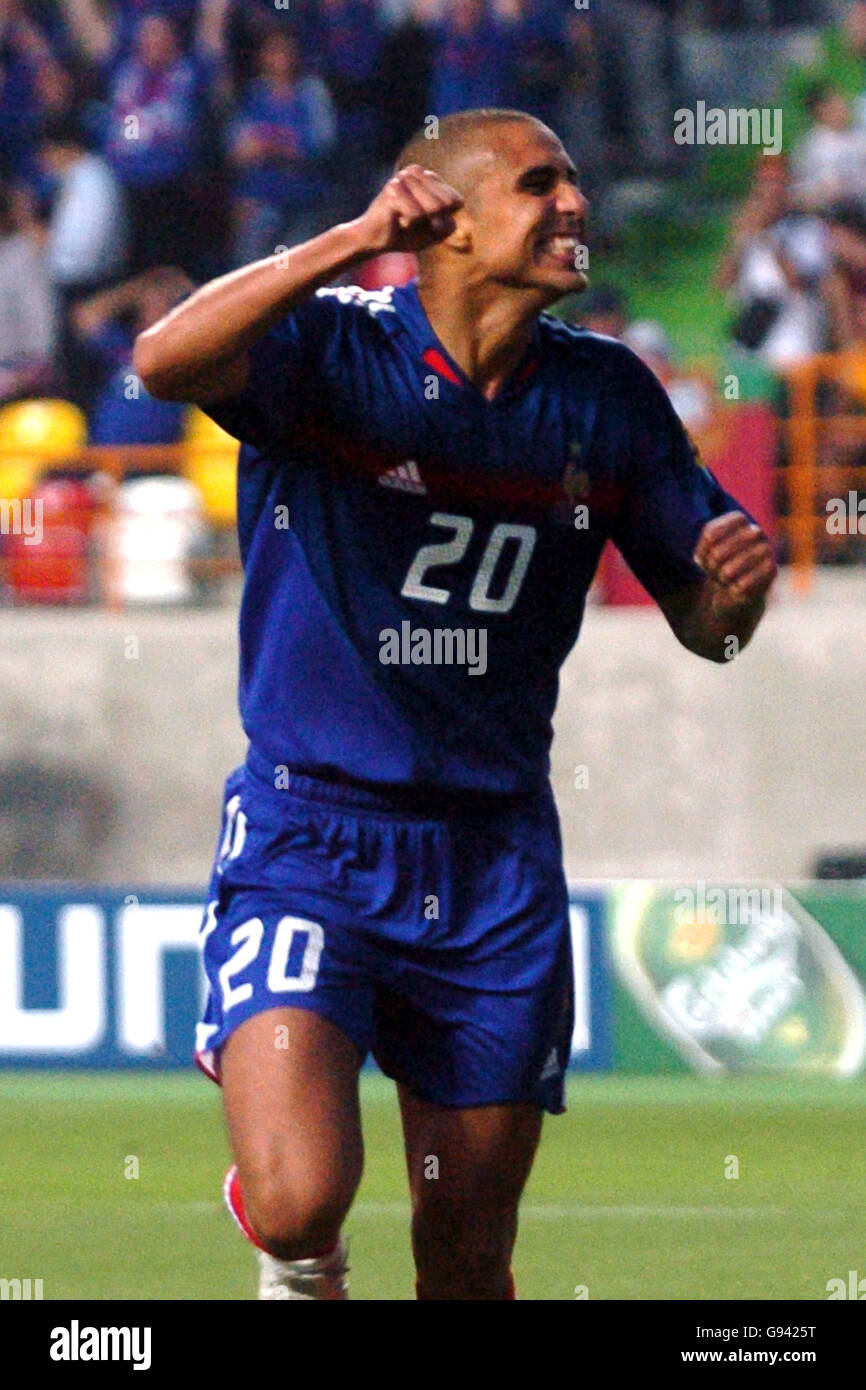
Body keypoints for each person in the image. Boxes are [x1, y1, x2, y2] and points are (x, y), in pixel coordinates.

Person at [134, 108, 776, 1301]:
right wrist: (348, 240)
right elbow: (159, 360)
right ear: (446, 215)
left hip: (490, 861)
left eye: (576, 179)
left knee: (468, 1249)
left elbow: (707, 630)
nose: (574, 205)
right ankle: (297, 1253)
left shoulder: (605, 398)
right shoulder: (328, 351)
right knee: (296, 1197)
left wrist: (733, 598)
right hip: (309, 834)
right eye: (540, 185)